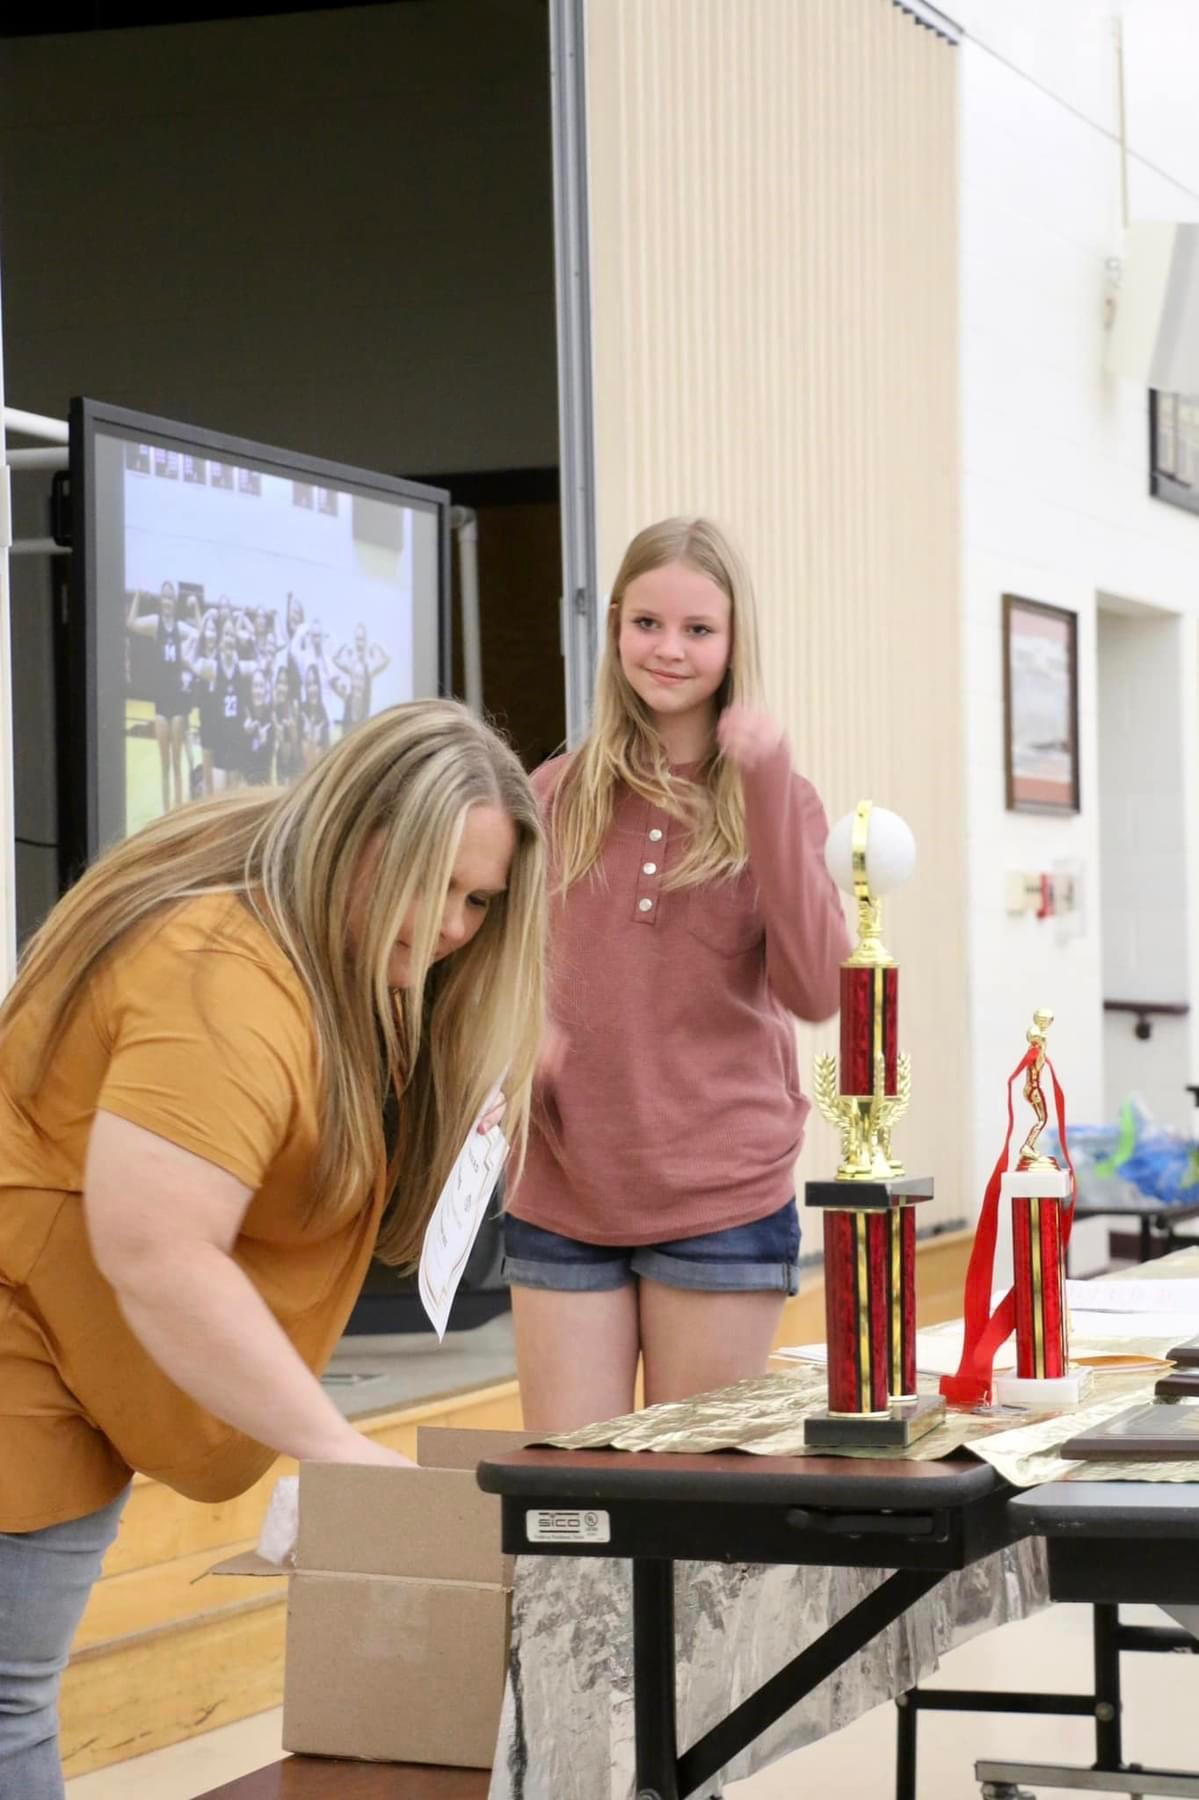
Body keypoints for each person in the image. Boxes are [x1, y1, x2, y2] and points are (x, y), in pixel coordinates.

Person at [0, 700, 545, 1799]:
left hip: (74, 1358)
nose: (450, 927)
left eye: (479, 901)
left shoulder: (332, 949)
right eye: (435, 882)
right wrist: (330, 1446)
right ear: (357, 833)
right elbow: (158, 1248)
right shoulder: (220, 977)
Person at [503, 517, 850, 1433]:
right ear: (615, 626)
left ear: (734, 645)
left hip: (719, 1196)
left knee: (694, 1521)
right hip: (563, 1187)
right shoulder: (551, 795)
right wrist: (514, 1039)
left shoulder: (781, 798)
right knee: (571, 1505)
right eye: (647, 623)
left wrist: (767, 786)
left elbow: (817, 990)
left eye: (698, 630)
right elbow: (485, 973)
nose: (668, 649)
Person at [125, 582, 196, 814]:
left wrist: (195, 610)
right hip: (160, 700)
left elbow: (200, 634)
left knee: (176, 762)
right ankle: (167, 811)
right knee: (164, 763)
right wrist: (136, 595)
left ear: (174, 603)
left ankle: (178, 809)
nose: (167, 602)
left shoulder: (179, 628)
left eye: (170, 598)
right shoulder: (156, 624)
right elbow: (131, 624)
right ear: (161, 601)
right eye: (164, 598)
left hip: (176, 699)